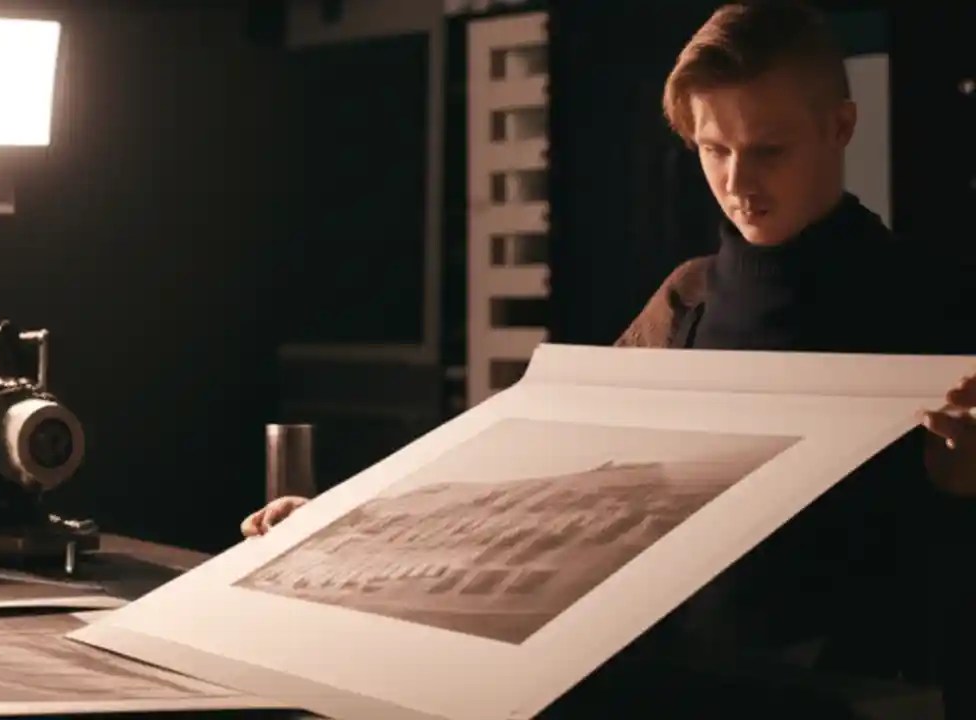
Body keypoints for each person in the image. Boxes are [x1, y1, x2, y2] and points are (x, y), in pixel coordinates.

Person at [242, 0, 976, 715]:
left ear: (840, 125)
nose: (739, 184)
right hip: (688, 680)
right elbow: (547, 477)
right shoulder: (686, 299)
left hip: (856, 694)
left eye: (768, 150)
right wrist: (344, 531)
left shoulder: (929, 307)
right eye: (714, 151)